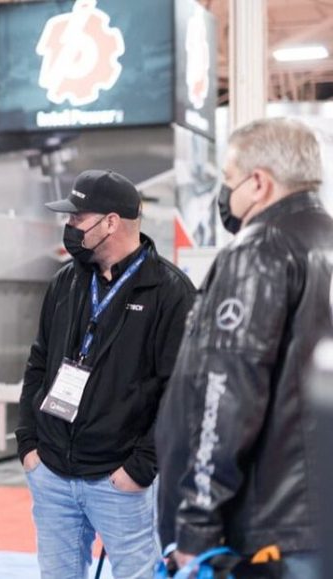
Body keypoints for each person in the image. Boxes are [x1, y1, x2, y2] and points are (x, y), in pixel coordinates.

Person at [157, 118, 330, 579]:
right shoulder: (326, 243)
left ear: (258, 183)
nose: (224, 193)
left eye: (228, 181)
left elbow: (226, 393)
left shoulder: (259, 251)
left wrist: (195, 525)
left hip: (269, 529)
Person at [16, 169, 195, 579]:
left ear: (111, 222)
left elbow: (181, 395)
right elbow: (39, 361)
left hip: (119, 483)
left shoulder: (171, 293)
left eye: (77, 219)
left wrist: (139, 468)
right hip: (52, 473)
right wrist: (29, 443)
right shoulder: (66, 282)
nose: (69, 227)